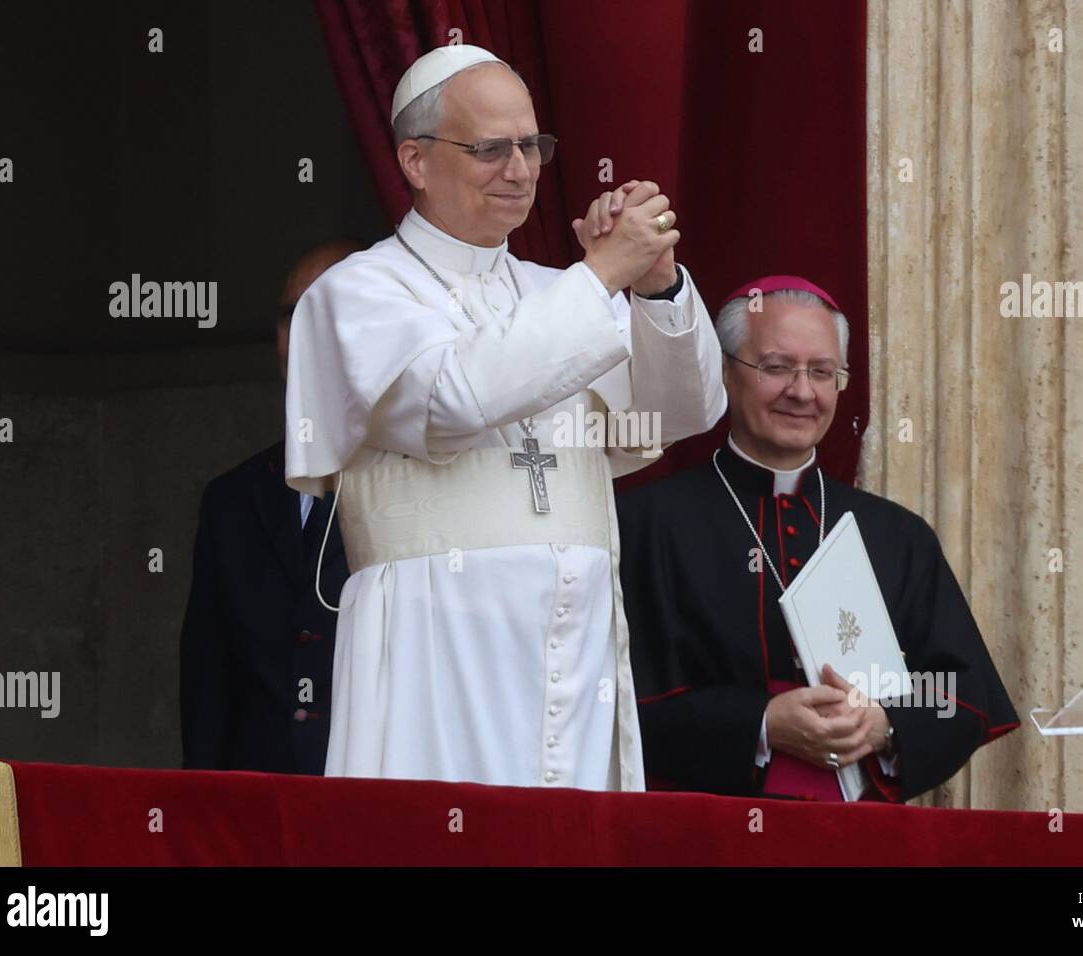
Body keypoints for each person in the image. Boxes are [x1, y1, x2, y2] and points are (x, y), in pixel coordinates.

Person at [284, 45, 725, 789]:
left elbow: (672, 416)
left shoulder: (561, 292)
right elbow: (448, 400)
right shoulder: (357, 294)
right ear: (416, 161)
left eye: (531, 146)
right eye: (491, 149)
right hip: (434, 642)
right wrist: (603, 275)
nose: (520, 171)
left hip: (576, 644)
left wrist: (653, 288)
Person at [618, 275, 1017, 801]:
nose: (802, 392)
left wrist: (883, 724)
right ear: (726, 373)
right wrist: (760, 723)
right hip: (706, 836)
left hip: (862, 842)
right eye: (776, 367)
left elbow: (963, 695)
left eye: (822, 372)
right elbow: (615, 703)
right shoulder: (646, 522)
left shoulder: (898, 536)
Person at [180, 242, 357, 774]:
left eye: (326, 312)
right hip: (257, 818)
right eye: (290, 316)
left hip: (381, 800)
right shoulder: (231, 501)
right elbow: (208, 685)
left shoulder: (430, 481)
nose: (302, 334)